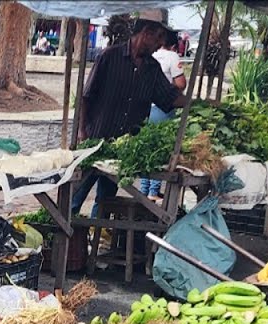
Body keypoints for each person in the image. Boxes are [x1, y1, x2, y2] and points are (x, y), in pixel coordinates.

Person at [73, 17, 188, 221]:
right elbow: (86, 96)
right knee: (75, 196)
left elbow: (168, 97)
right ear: (146, 33)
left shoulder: (152, 68)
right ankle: (61, 240)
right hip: (95, 140)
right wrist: (82, 132)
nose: (160, 44)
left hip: (122, 149)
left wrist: (196, 103)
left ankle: (93, 235)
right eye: (158, 37)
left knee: (105, 201)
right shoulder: (109, 57)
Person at [141, 29, 187, 201]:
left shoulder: (149, 56)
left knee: (146, 149)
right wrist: (168, 92)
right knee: (160, 150)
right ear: (174, 45)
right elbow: (181, 83)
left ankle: (144, 190)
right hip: (163, 109)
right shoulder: (172, 57)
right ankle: (154, 191)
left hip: (146, 109)